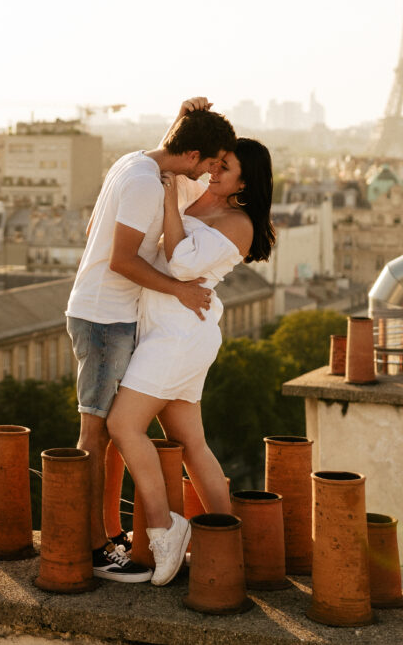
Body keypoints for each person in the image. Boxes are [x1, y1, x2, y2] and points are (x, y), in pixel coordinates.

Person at [65, 101, 237, 582]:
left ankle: (108, 537)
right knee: (95, 435)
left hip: (109, 314)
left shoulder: (137, 164)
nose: (209, 173)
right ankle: (97, 548)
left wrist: (183, 117)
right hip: (104, 318)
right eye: (209, 162)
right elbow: (123, 259)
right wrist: (181, 289)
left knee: (107, 432)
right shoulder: (145, 182)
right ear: (194, 154)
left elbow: (175, 154)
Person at [106, 136, 276, 586]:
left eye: (226, 167)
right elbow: (168, 157)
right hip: (165, 331)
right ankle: (231, 546)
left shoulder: (239, 223)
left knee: (123, 426)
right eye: (216, 161)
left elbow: (181, 266)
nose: (215, 170)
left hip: (180, 337)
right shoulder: (197, 196)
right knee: (192, 444)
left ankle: (164, 529)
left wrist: (167, 203)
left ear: (245, 181)